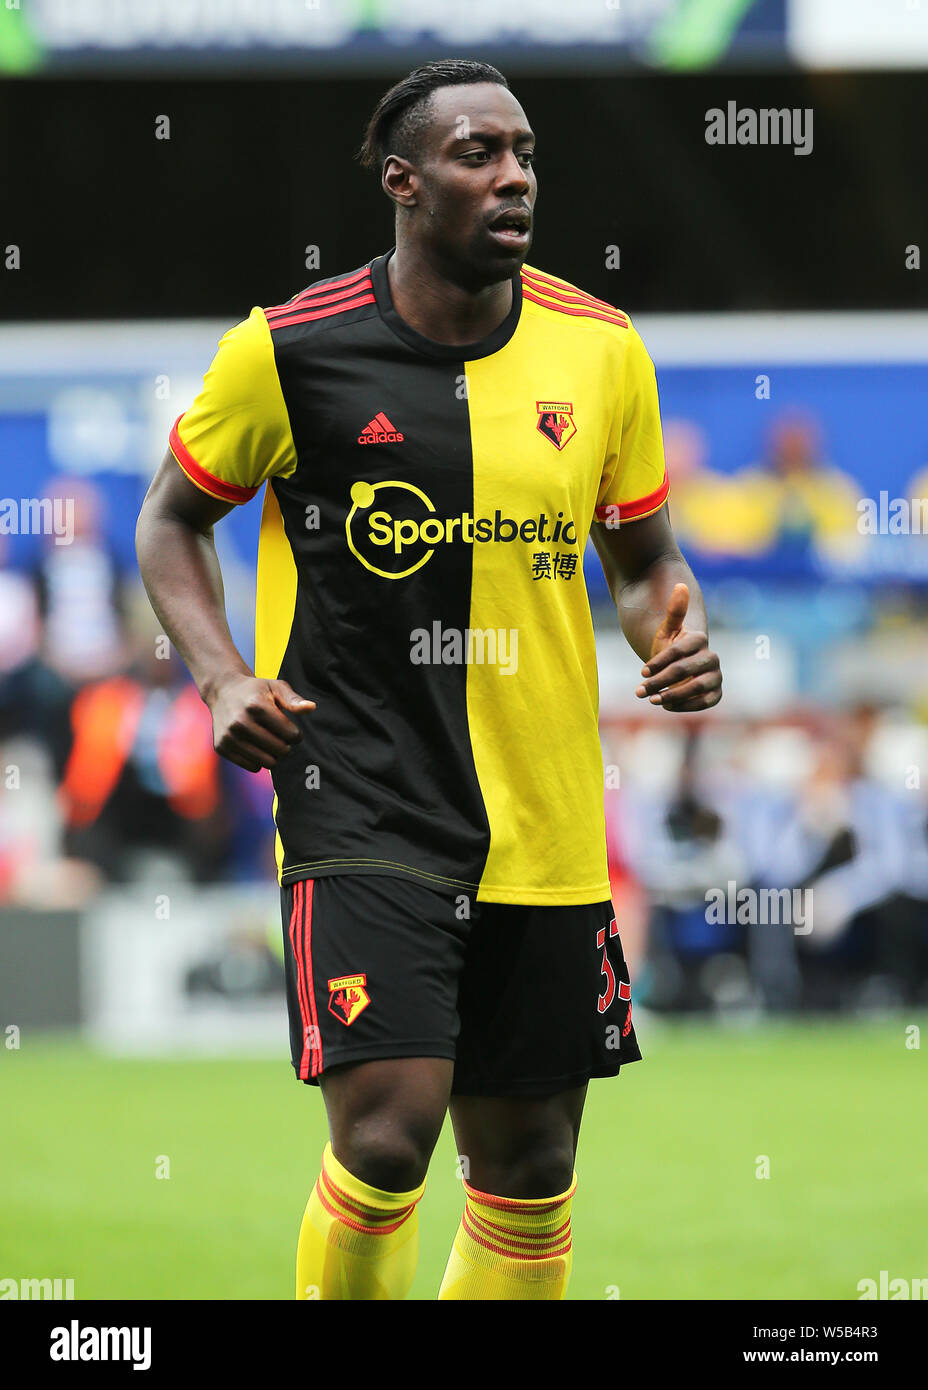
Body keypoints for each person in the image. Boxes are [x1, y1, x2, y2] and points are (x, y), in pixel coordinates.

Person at [135, 58, 721, 1301]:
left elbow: (645, 558)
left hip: (544, 812)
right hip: (362, 797)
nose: (514, 178)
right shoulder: (288, 350)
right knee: (388, 1134)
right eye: (477, 154)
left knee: (530, 1167)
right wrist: (221, 676)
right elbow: (170, 519)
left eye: (525, 155)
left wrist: (672, 629)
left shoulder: (602, 349)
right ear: (402, 182)